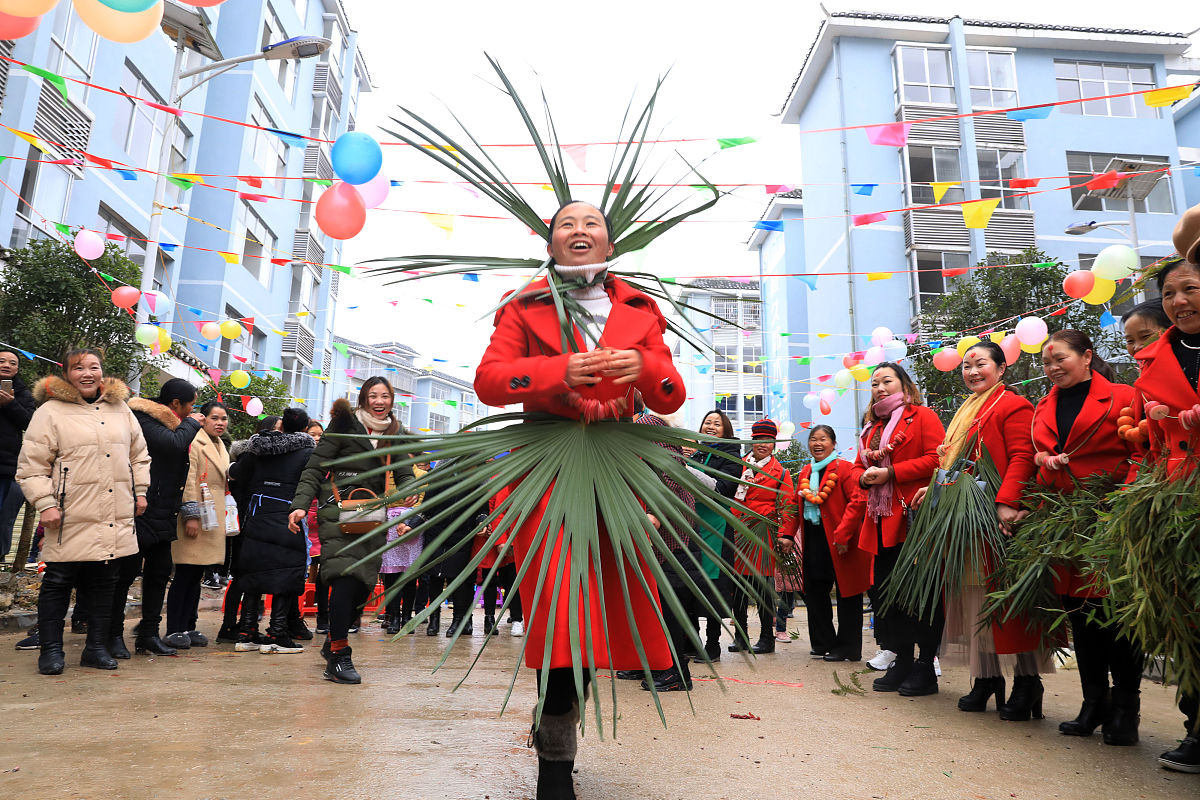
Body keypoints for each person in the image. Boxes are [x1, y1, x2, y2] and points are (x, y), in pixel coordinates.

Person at [473, 199, 687, 797]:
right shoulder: (523, 306)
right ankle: (556, 761)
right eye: (567, 223)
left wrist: (643, 364)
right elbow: (489, 381)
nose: (580, 230)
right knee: (561, 618)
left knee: (601, 623)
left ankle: (555, 724)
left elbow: (670, 395)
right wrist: (555, 372)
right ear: (551, 243)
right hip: (549, 471)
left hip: (618, 473)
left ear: (610, 243)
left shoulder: (642, 310)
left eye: (591, 222)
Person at [916, 341, 1045, 716]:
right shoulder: (966, 410)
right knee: (973, 600)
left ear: (1002, 369)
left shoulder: (1013, 405)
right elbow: (957, 464)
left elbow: (1022, 456)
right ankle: (986, 679)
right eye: (967, 366)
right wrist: (935, 485)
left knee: (1009, 604)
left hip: (997, 521)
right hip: (964, 521)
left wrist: (1008, 502)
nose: (972, 371)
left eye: (981, 364)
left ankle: (1027, 682)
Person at [1032, 330, 1141, 743]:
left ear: (1087, 356)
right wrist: (1046, 461)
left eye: (1060, 358)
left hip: (1110, 519)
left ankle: (1126, 710)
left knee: (1116, 617)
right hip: (1066, 524)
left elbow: (1140, 452)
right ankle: (1092, 703)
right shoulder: (1044, 404)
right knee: (1080, 616)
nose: (1052, 367)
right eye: (1046, 362)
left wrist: (1121, 500)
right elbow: (1040, 461)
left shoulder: (1122, 395)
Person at [15, 348, 151, 674]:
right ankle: (50, 650)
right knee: (59, 580)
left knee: (106, 581)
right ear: (67, 373)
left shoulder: (121, 409)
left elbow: (139, 455)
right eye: (79, 368)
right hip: (68, 513)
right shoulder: (50, 411)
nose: (87, 373)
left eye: (94, 367)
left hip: (114, 511)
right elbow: (31, 467)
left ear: (103, 372)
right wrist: (45, 503)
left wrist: (141, 490)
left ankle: (95, 648)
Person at [1127, 216, 1200, 773]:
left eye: (1190, 289)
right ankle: (1196, 727)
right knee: (1189, 619)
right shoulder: (1154, 361)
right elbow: (1153, 446)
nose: (1178, 301)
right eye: (1169, 293)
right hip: (1177, 505)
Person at [288, 378, 415, 684]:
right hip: (338, 505)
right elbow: (315, 468)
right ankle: (340, 654)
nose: (379, 401)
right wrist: (301, 504)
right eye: (373, 395)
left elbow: (404, 470)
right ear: (363, 398)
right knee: (345, 576)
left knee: (364, 582)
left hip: (371, 508)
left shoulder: (393, 432)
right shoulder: (344, 424)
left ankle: (333, 639)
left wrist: (410, 488)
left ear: (392, 399)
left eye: (385, 395)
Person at [847, 362, 944, 694]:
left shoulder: (922, 417)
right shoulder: (871, 428)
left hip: (914, 519)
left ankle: (925, 666)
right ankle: (902, 659)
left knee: (920, 596)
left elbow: (937, 460)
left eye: (887, 381)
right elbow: (863, 468)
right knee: (892, 597)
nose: (879, 387)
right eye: (874, 383)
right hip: (880, 522)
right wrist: (863, 477)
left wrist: (893, 473)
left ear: (904, 385)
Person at [116, 379, 204, 658]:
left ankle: (149, 634)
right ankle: (112, 634)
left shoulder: (172, 422)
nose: (192, 411)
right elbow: (173, 445)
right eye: (191, 405)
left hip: (164, 511)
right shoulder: (144, 419)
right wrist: (193, 424)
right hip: (139, 510)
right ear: (175, 404)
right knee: (125, 575)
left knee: (159, 573)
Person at [232, 407, 315, 654]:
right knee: (287, 571)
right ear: (303, 428)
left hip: (256, 514)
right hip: (288, 515)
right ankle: (277, 634)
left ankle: (246, 632)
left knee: (253, 571)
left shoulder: (257, 449)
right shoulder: (308, 452)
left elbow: (237, 473)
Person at [795, 425, 870, 662]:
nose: (818, 443)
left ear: (833, 443)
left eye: (823, 439)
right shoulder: (804, 472)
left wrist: (842, 535)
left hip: (841, 540)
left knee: (848, 595)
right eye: (813, 439)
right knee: (815, 592)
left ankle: (848, 647)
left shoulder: (846, 469)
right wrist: (787, 535)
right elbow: (793, 507)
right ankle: (823, 642)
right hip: (814, 537)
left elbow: (858, 501)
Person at [163, 400, 230, 650]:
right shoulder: (194, 440)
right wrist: (190, 514)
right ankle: (174, 628)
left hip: (212, 515)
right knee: (184, 574)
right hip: (195, 515)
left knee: (197, 575)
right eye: (215, 418)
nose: (220, 423)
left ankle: (189, 625)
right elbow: (188, 479)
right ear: (204, 418)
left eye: (223, 418)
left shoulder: (220, 444)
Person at [728, 418, 797, 656]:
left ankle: (767, 637)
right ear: (753, 440)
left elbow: (788, 505)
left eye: (768, 440)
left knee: (762, 588)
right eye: (759, 440)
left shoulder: (781, 472)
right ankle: (740, 636)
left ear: (774, 443)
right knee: (738, 588)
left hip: (763, 534)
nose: (763, 445)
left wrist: (786, 535)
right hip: (737, 533)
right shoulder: (739, 465)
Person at [683, 409, 744, 660]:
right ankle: (691, 641)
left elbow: (723, 488)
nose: (710, 426)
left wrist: (685, 468)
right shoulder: (695, 453)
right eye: (707, 422)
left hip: (715, 527)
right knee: (688, 582)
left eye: (716, 424)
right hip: (689, 523)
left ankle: (713, 644)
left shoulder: (731, 454)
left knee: (712, 585)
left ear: (726, 430)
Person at [0, 348, 35, 560]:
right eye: (2, 361)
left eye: (12, 363)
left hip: (9, 466)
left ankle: (1, 558)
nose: (6, 365)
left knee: (5, 517)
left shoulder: (23, 394)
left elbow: (30, 423)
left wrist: (10, 404)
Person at [304, 420, 329, 634]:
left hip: (324, 521)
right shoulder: (300, 457)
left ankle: (323, 618)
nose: (317, 438)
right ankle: (296, 616)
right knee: (299, 571)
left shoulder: (329, 459)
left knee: (324, 573)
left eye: (320, 434)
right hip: (303, 518)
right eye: (313, 434)